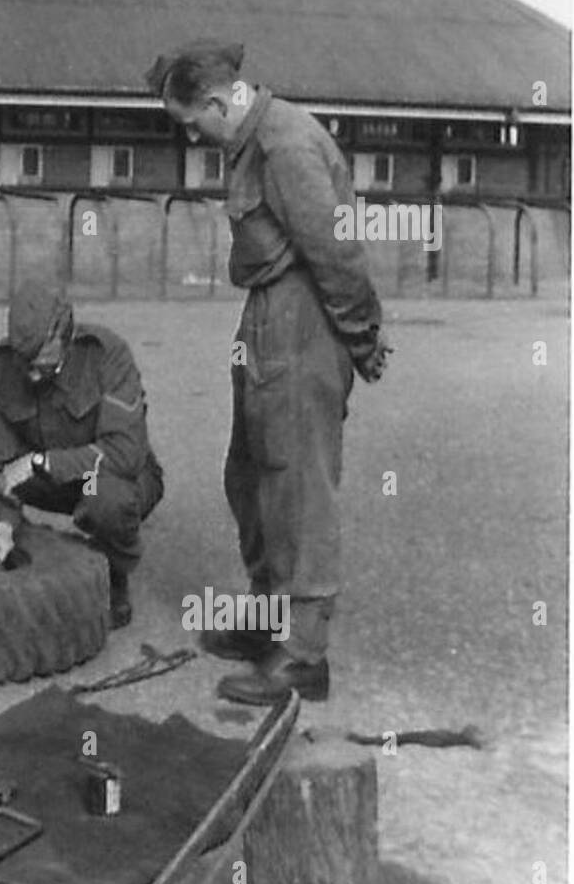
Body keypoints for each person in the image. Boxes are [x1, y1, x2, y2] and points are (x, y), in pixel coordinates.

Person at [146, 40, 392, 704]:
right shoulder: (254, 142)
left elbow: (335, 252)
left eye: (194, 121)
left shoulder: (286, 146)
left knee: (299, 483)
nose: (193, 135)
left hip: (304, 321)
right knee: (251, 471)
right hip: (266, 317)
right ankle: (268, 619)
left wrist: (361, 336)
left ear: (221, 100)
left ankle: (304, 655)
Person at [0, 279, 164, 629]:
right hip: (42, 476)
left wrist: (41, 463)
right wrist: (3, 528)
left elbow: (124, 454)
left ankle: (113, 574)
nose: (31, 372)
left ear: (62, 334)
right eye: (24, 359)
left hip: (111, 476)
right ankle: (26, 546)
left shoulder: (107, 354)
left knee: (104, 497)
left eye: (40, 360)